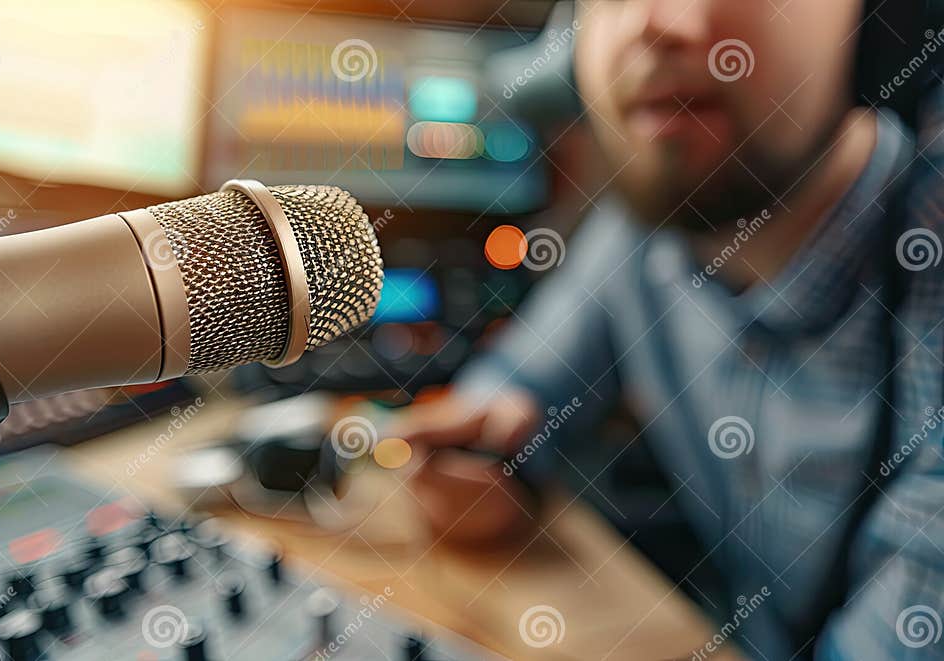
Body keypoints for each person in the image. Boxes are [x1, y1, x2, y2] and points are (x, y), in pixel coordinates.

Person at [390, 1, 944, 658]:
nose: (653, 23)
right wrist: (496, 454)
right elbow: (521, 379)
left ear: (887, 22)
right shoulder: (640, 231)